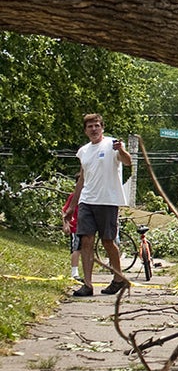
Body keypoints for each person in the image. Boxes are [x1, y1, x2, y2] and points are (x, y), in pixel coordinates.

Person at [72, 113, 131, 297]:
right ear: (85, 130)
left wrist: (121, 150)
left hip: (108, 200)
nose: (94, 129)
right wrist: (72, 205)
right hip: (87, 201)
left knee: (107, 241)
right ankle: (87, 285)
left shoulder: (113, 144)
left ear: (102, 127)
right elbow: (82, 178)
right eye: (90, 126)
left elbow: (128, 162)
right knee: (85, 240)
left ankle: (118, 278)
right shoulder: (83, 151)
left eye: (97, 125)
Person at [61, 171, 82, 281]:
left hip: (86, 226)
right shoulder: (73, 196)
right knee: (76, 249)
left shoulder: (88, 196)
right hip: (75, 227)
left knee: (84, 248)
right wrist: (66, 224)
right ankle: (74, 273)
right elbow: (64, 210)